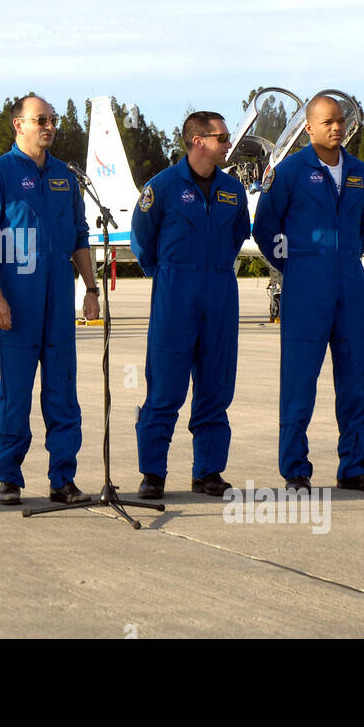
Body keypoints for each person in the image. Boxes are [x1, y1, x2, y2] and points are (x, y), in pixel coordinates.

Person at [251, 96, 364, 492]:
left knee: (356, 382)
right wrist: (296, 265)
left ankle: (356, 467)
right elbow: (266, 228)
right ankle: (295, 469)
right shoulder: (290, 172)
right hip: (305, 288)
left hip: (348, 285)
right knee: (298, 384)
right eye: (328, 122)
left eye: (341, 121)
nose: (337, 128)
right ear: (309, 128)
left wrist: (344, 254)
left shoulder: (362, 174)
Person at [0, 94, 100, 505]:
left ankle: (63, 479)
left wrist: (91, 290)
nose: (49, 126)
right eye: (40, 119)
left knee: (62, 390)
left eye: (52, 119)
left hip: (58, 296)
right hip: (17, 295)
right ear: (18, 125)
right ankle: (9, 476)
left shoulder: (65, 176)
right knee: (16, 392)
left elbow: (79, 235)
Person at [131, 112, 250, 500]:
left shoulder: (233, 190)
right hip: (174, 293)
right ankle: (153, 474)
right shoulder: (162, 187)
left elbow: (237, 236)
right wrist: (170, 277)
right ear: (198, 141)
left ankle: (209, 472)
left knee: (216, 386)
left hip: (219, 291)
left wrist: (211, 271)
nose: (228, 144)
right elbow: (143, 244)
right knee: (165, 387)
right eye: (222, 137)